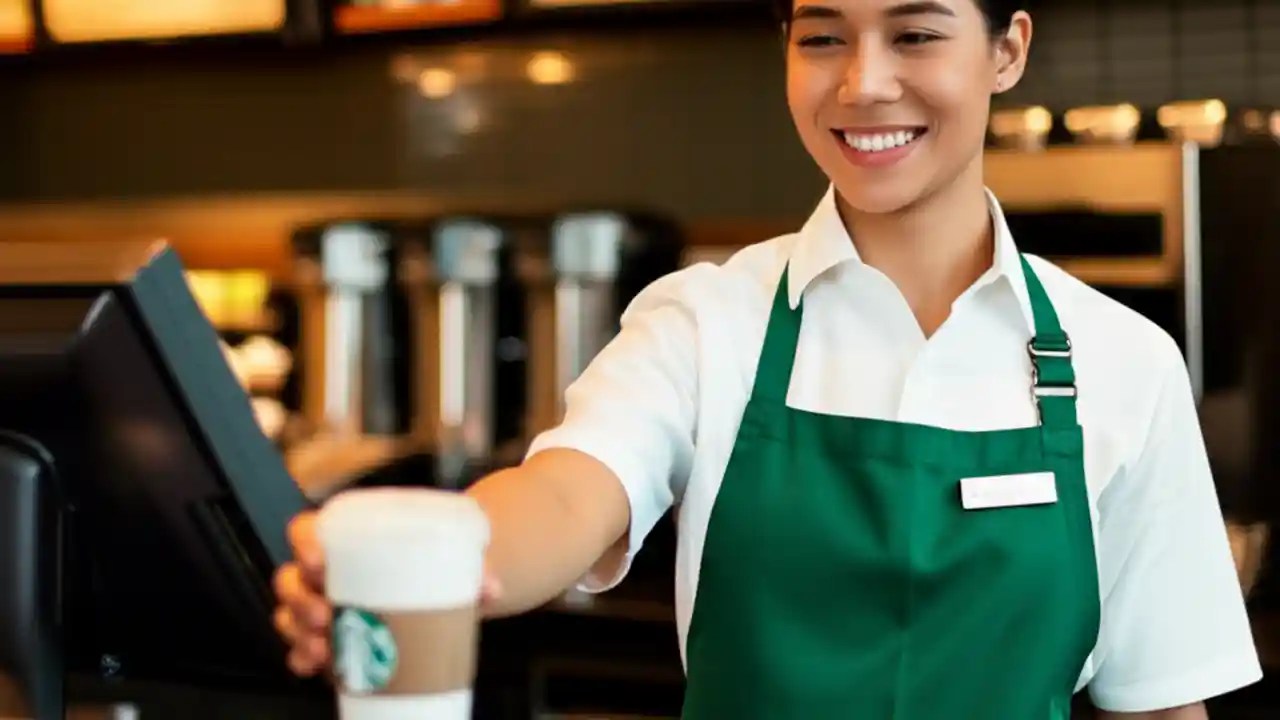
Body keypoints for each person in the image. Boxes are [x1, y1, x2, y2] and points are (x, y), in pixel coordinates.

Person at [273, 1, 1264, 717]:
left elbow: (1159, 701)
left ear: (1006, 49)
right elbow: (567, 496)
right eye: (821, 35)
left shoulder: (1121, 364)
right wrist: (433, 558)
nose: (860, 81)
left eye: (914, 33)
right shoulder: (706, 320)